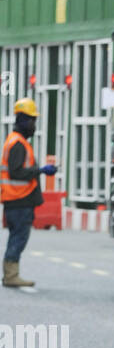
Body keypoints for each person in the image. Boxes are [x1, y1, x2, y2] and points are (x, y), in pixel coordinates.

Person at [1, 97, 57, 292]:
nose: (34, 125)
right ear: (24, 120)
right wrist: (40, 170)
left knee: (17, 236)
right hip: (18, 199)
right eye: (32, 120)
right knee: (19, 237)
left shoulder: (17, 141)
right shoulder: (17, 143)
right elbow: (16, 172)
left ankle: (10, 274)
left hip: (17, 199)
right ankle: (11, 275)